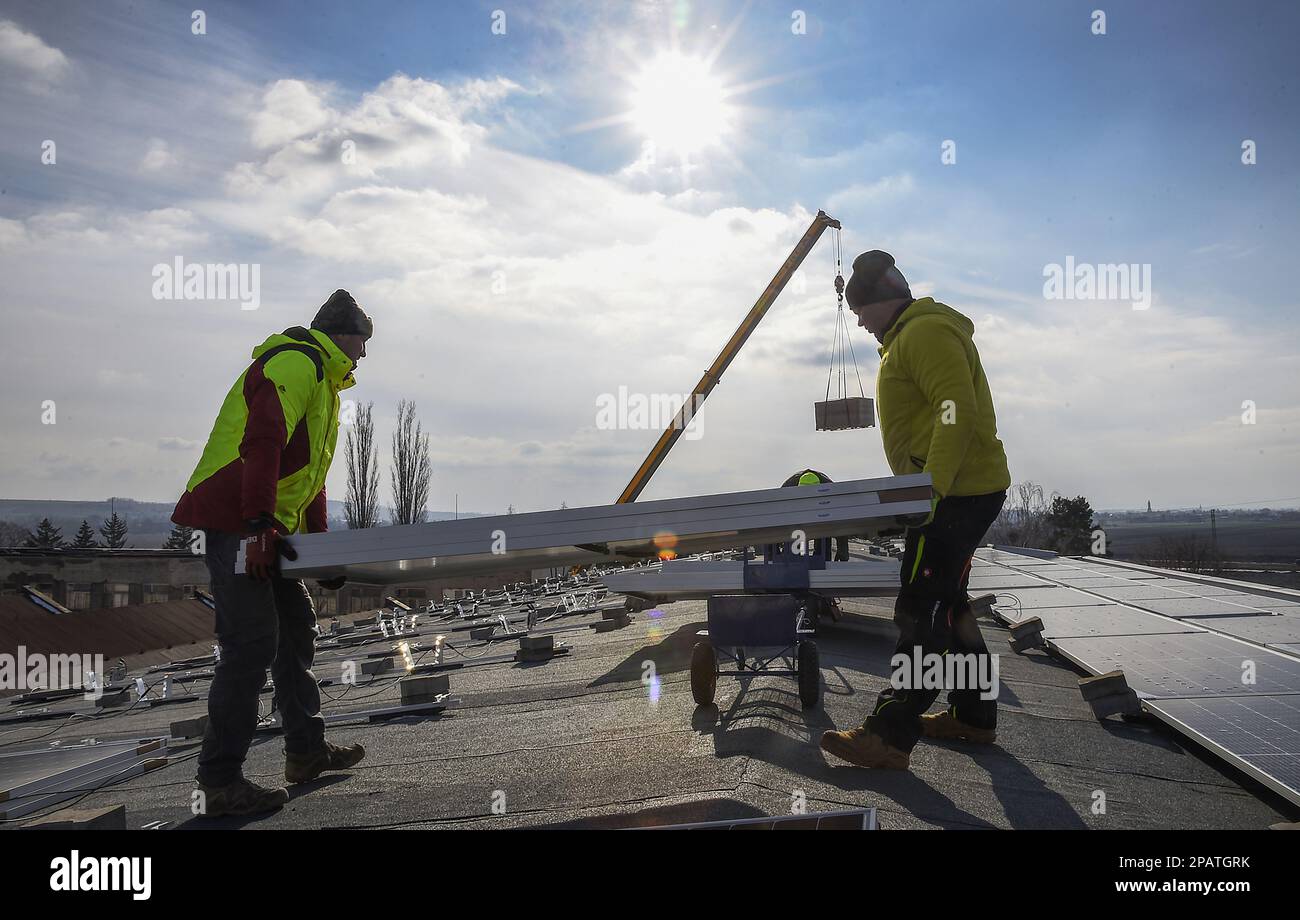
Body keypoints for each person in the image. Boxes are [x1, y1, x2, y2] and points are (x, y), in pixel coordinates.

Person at [172, 290, 372, 815]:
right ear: (342, 336)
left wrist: (318, 548)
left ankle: (305, 753)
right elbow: (263, 444)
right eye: (363, 342)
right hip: (237, 518)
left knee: (296, 629)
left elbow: (309, 476)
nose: (365, 355)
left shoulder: (326, 385)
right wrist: (258, 525)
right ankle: (218, 785)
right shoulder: (294, 363)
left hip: (270, 526)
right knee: (251, 646)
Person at [819, 252, 1010, 771]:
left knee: (922, 612)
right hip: (958, 491)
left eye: (861, 310)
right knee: (954, 608)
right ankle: (973, 715)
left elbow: (956, 409)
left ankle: (888, 735)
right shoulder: (911, 336)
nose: (857, 320)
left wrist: (931, 490)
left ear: (882, 303)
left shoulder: (923, 334)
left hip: (952, 497)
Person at [781, 469, 851, 561]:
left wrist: (842, 552)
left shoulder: (829, 489)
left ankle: (822, 557)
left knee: (824, 527)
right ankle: (791, 556)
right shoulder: (788, 488)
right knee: (792, 529)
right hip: (796, 516)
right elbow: (775, 519)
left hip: (822, 517)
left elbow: (840, 519)